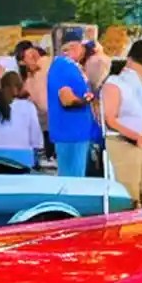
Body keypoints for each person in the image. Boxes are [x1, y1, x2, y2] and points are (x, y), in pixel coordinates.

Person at [101, 39, 142, 207]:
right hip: (121, 143)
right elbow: (110, 118)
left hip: (141, 143)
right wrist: (135, 135)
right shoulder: (115, 82)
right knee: (129, 196)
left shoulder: (140, 83)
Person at [46, 27, 101, 177]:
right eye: (84, 48)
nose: (85, 52)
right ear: (74, 47)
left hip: (75, 134)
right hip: (71, 135)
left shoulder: (69, 67)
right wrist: (86, 100)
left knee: (75, 180)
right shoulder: (63, 66)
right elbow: (66, 99)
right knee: (73, 183)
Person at [0, 71, 43, 168]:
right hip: (24, 157)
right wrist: (37, 148)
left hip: (0, 156)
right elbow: (36, 134)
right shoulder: (28, 106)